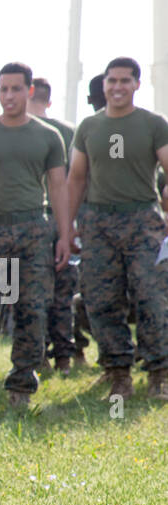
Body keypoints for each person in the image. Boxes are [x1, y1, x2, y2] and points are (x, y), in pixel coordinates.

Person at [0, 62, 70, 408]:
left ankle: (21, 386)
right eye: (3, 89)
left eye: (15, 89)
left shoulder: (49, 137)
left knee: (32, 312)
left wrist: (63, 235)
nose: (8, 96)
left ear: (29, 91)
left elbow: (59, 187)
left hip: (34, 230)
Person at [67, 57, 168, 400]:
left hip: (143, 221)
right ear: (105, 84)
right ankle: (118, 373)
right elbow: (76, 178)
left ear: (137, 84)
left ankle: (159, 372)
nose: (118, 87)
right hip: (97, 224)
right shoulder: (89, 128)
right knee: (101, 300)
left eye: (125, 81)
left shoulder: (154, 124)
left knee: (152, 298)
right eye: (112, 81)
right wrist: (67, 229)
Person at [27, 75, 82, 371]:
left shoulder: (17, 130)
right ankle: (64, 356)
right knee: (62, 292)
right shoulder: (71, 133)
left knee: (29, 292)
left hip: (29, 219)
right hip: (64, 220)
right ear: (49, 100)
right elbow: (81, 179)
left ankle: (36, 356)